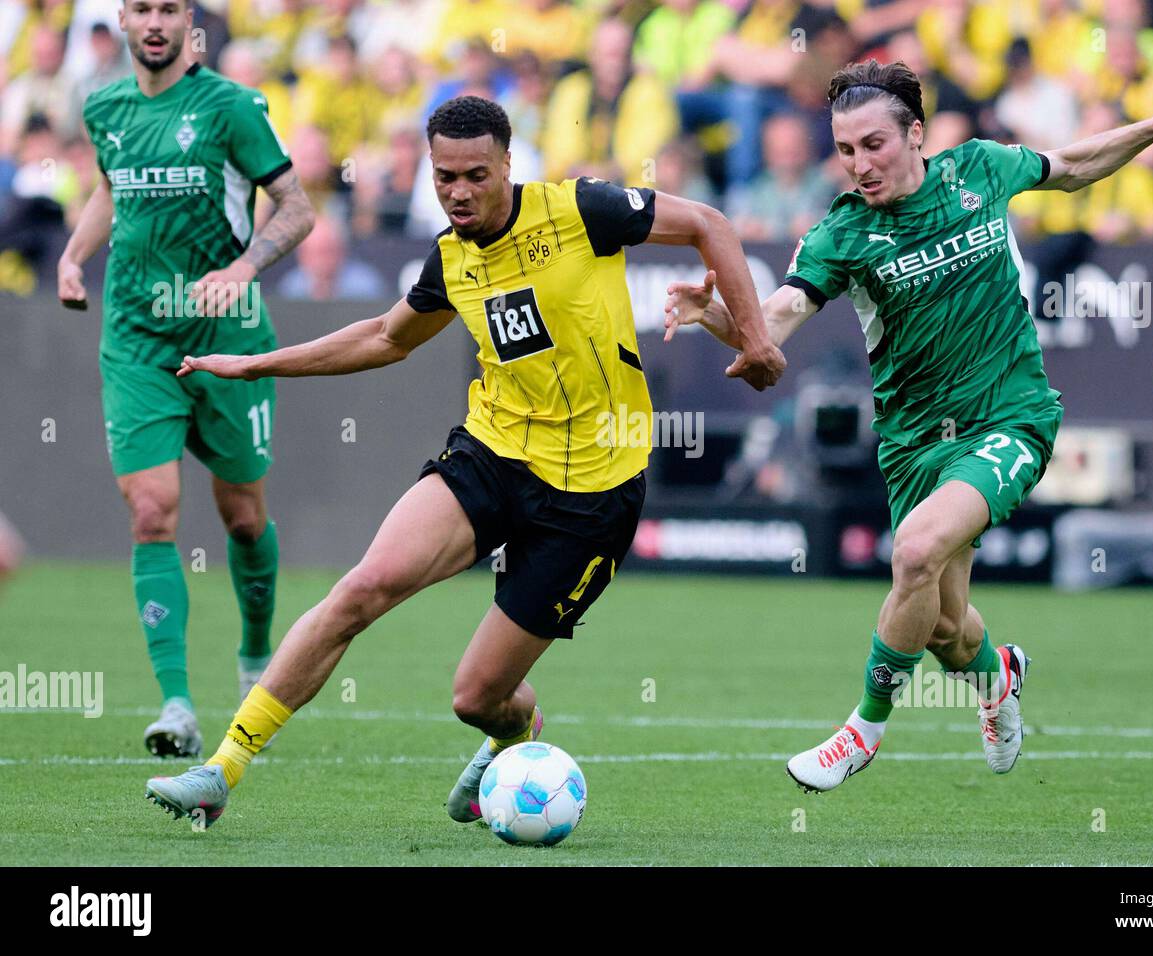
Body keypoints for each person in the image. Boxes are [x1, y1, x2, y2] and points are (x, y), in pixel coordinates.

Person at [142, 95, 785, 828]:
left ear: (509, 164)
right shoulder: (450, 257)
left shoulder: (582, 211)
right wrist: (259, 366)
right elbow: (386, 338)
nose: (458, 192)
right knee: (361, 589)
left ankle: (515, 732)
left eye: (476, 175)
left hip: (592, 496)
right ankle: (221, 770)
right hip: (492, 453)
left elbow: (711, 225)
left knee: (475, 699)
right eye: (443, 177)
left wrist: (756, 340)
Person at [665, 59, 1153, 792]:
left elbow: (1074, 164)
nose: (860, 164)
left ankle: (859, 733)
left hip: (1009, 417)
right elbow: (769, 328)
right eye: (845, 150)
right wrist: (709, 314)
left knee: (915, 551)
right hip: (913, 445)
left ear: (917, 134)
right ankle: (999, 678)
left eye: (874, 144)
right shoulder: (842, 232)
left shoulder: (979, 170)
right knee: (943, 625)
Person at [56, 0, 314, 757]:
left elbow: (296, 208)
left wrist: (242, 268)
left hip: (228, 341)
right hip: (136, 335)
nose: (156, 21)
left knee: (241, 515)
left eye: (170, 7)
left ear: (189, 24)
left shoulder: (231, 107)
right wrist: (74, 257)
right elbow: (112, 191)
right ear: (125, 21)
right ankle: (176, 705)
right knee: (152, 509)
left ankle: (257, 658)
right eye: (142, 9)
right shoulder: (102, 107)